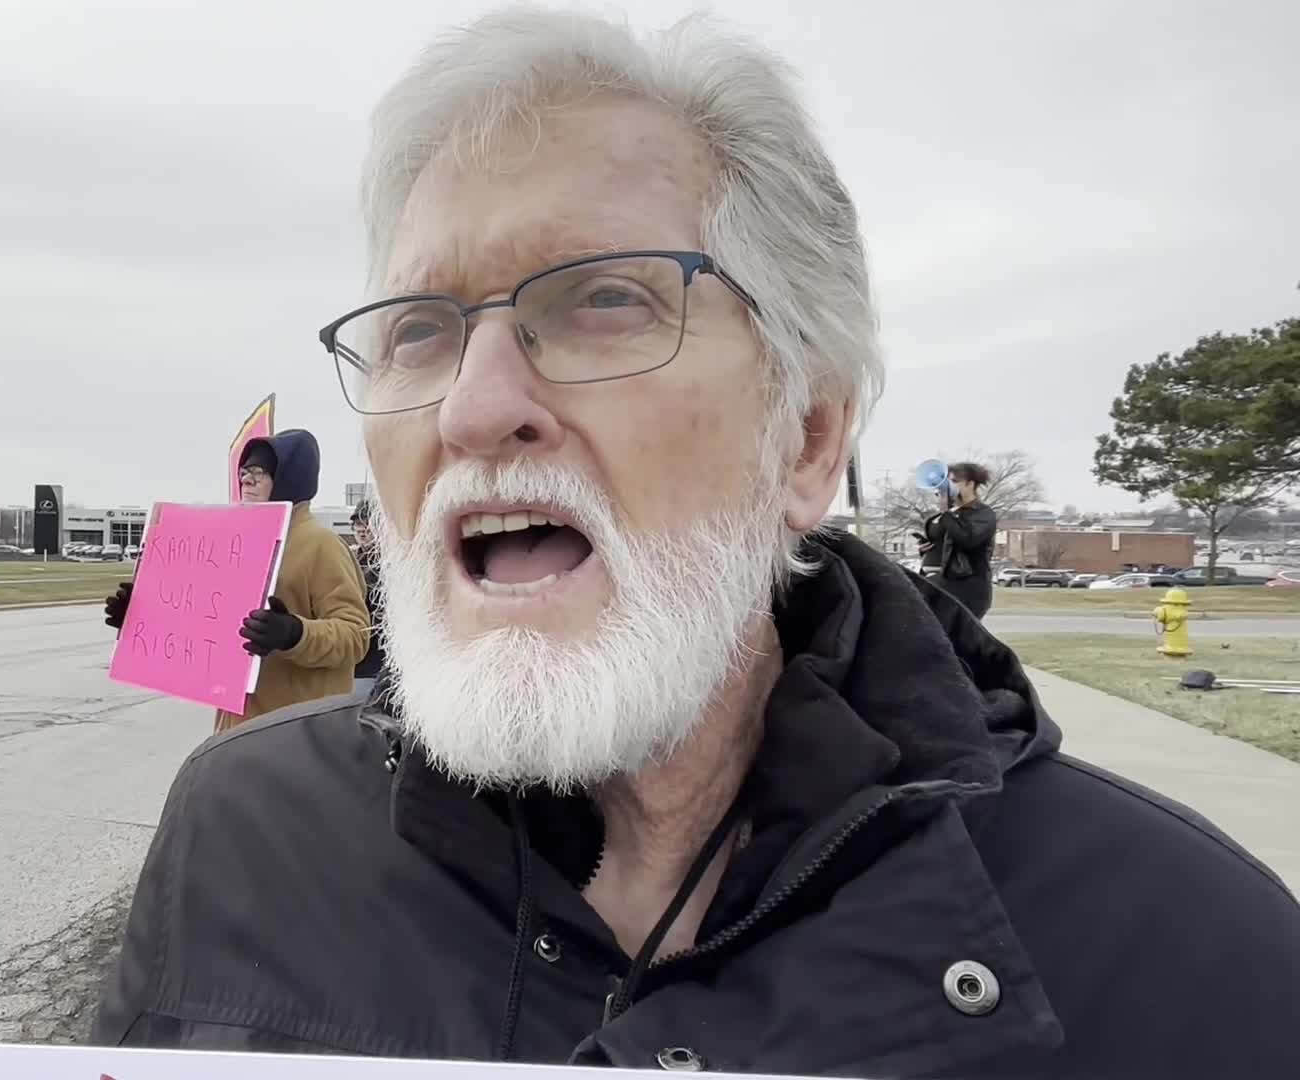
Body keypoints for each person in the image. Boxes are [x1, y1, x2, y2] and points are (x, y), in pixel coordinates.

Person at [92, 10, 1300, 1076]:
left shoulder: (1193, 953)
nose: (472, 407)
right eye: (418, 329)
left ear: (808, 440)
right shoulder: (235, 833)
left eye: (606, 298)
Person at [103, 429, 369, 732]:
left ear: (290, 478)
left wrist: (294, 633)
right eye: (244, 472)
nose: (246, 480)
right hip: (237, 729)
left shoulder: (321, 544)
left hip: (297, 734)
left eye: (260, 472)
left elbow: (355, 636)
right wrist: (144, 617)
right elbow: (206, 616)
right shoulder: (239, 543)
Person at [920, 461, 999, 619]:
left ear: (970, 484)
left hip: (965, 588)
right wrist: (923, 549)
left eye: (955, 481)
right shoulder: (939, 517)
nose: (949, 486)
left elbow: (968, 539)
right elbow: (943, 543)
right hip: (935, 583)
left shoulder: (982, 514)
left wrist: (946, 512)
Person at [350, 500, 385, 697]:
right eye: (358, 524)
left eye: (368, 524)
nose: (363, 530)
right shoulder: (349, 557)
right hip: (354, 657)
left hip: (376, 657)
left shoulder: (388, 561)